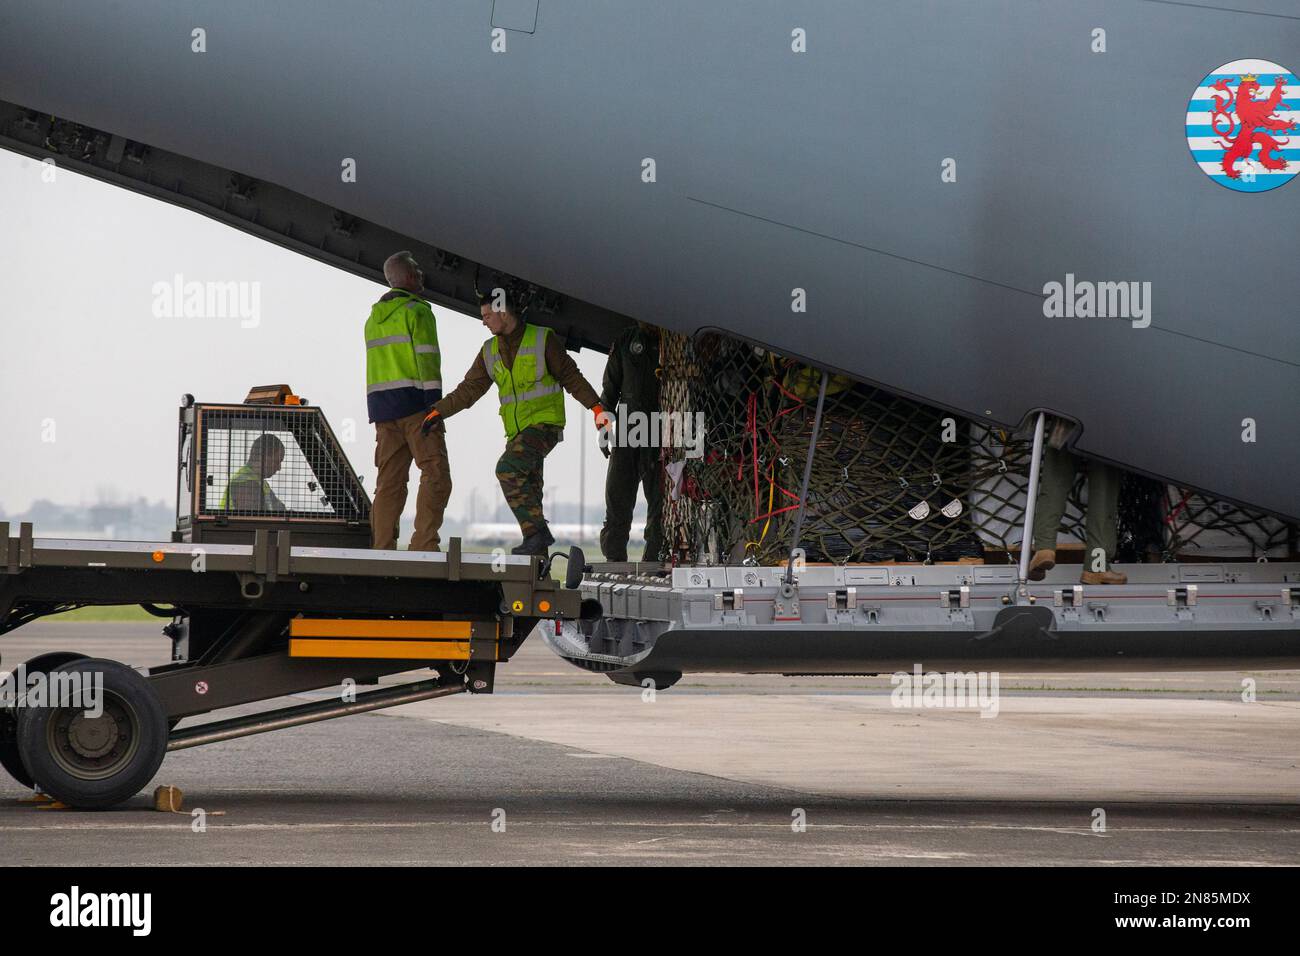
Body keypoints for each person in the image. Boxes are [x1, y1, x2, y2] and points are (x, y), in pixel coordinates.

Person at [423, 287, 607, 555]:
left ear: (502, 312)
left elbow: (570, 376)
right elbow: (469, 389)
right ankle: (538, 558)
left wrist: (597, 408)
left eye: (487, 315)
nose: (483, 322)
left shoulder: (542, 339)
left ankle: (536, 534)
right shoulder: (489, 351)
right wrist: (438, 411)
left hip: (544, 425)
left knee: (507, 468)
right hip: (518, 432)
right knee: (530, 491)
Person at [365, 251, 451, 551]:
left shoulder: (373, 319)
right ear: (411, 276)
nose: (422, 274)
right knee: (436, 474)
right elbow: (428, 360)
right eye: (417, 269)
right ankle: (424, 545)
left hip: (382, 411)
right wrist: (435, 407)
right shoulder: (418, 311)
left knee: (389, 483)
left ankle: (382, 549)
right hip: (415, 406)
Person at [1027, 417, 1127, 584]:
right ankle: (1097, 566)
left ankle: (1044, 548)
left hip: (1068, 414)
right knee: (1103, 493)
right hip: (1109, 420)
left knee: (1055, 481)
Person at [599, 321, 665, 562]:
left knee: (661, 502)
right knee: (618, 495)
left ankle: (655, 559)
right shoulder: (626, 341)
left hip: (664, 430)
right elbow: (610, 387)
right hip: (629, 429)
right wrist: (604, 426)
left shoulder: (674, 342)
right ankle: (614, 558)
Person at [221, 434, 286, 513]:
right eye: (276, 461)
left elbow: (281, 510)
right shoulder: (245, 485)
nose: (279, 468)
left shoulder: (261, 483)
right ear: (263, 457)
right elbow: (250, 519)